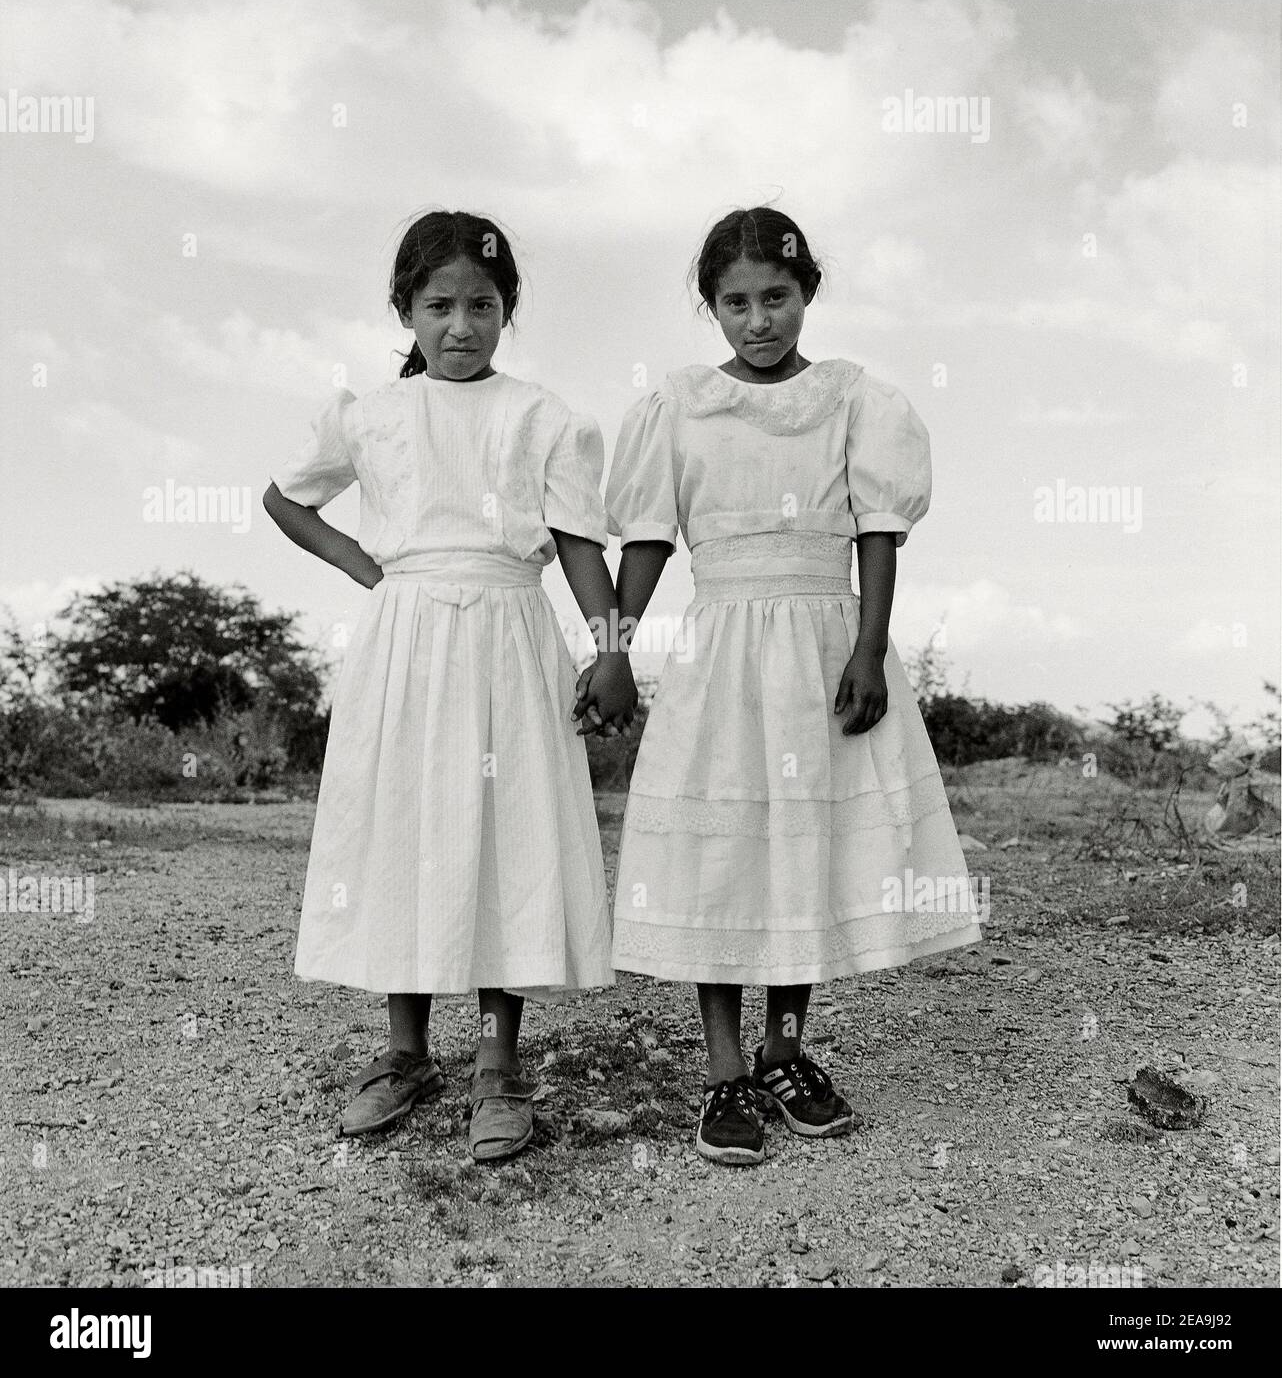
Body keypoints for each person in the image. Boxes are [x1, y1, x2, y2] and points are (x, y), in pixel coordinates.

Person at [604, 206, 982, 1166]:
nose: (759, 320)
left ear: (807, 290)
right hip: (722, 652)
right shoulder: (679, 405)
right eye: (736, 303)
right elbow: (647, 540)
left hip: (822, 645)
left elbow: (878, 533)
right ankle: (724, 1069)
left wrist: (870, 648)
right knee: (725, 851)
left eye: (776, 297)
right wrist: (613, 647)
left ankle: (785, 1052)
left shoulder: (853, 399)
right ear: (712, 307)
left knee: (800, 847)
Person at [265, 210, 636, 1162]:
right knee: (407, 828)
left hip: (510, 636)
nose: (460, 327)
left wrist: (612, 649)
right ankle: (405, 1052)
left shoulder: (544, 417)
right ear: (406, 310)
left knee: (506, 836)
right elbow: (285, 499)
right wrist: (368, 570)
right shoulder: (372, 415)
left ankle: (498, 1062)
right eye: (438, 307)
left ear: (507, 311)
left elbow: (580, 547)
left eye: (481, 306)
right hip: (406, 644)